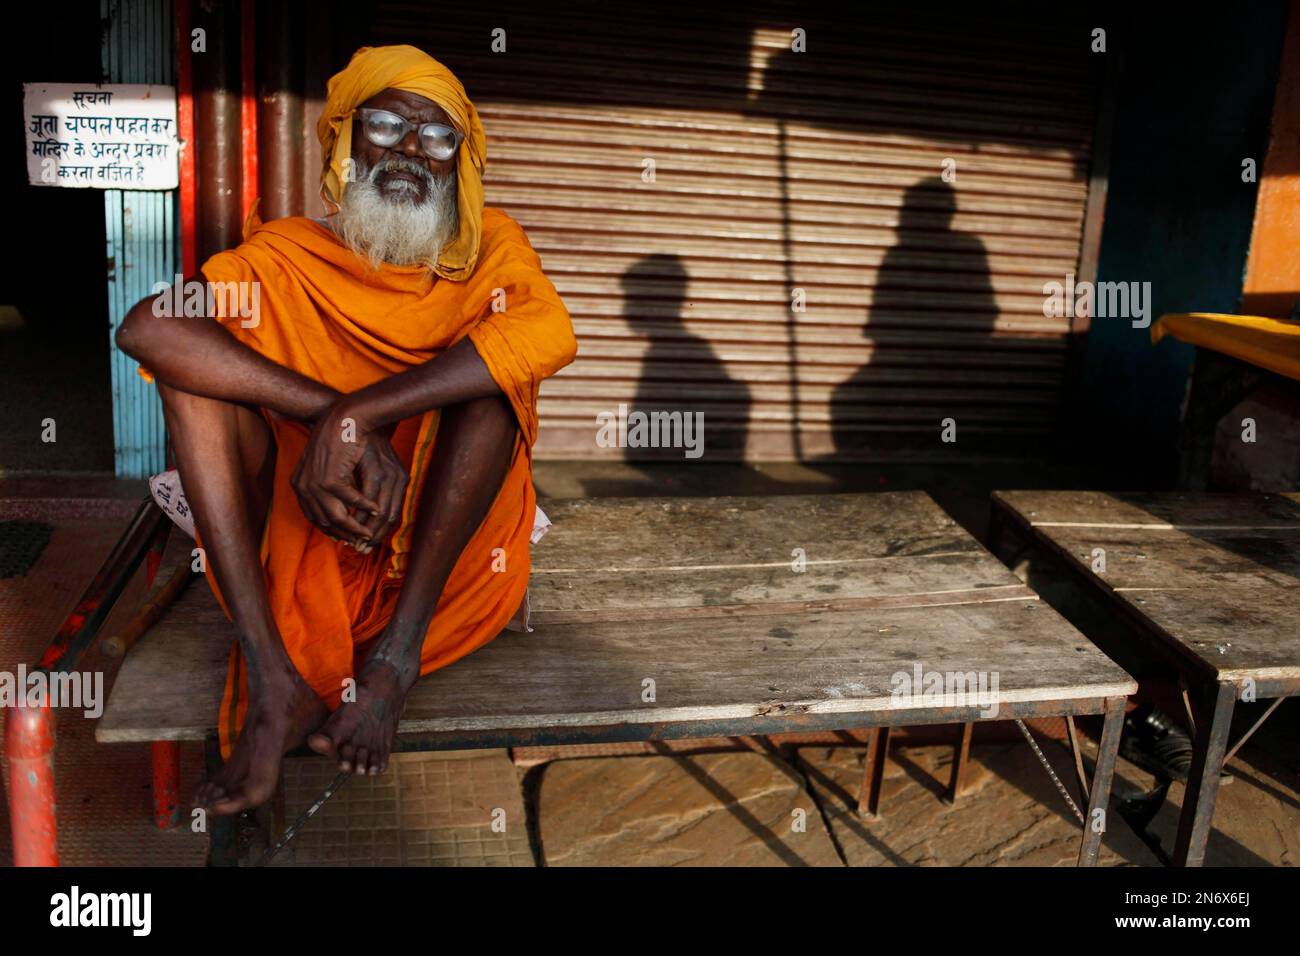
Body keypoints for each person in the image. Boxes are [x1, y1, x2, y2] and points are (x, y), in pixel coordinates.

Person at [115, 44, 577, 815]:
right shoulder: (289, 253)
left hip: (441, 558)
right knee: (192, 382)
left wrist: (360, 414)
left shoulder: (491, 246)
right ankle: (274, 679)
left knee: (496, 387)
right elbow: (148, 328)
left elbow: (551, 334)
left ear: (458, 161)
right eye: (388, 124)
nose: (409, 150)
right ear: (345, 140)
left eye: (437, 138)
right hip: (316, 525)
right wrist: (327, 416)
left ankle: (395, 662)